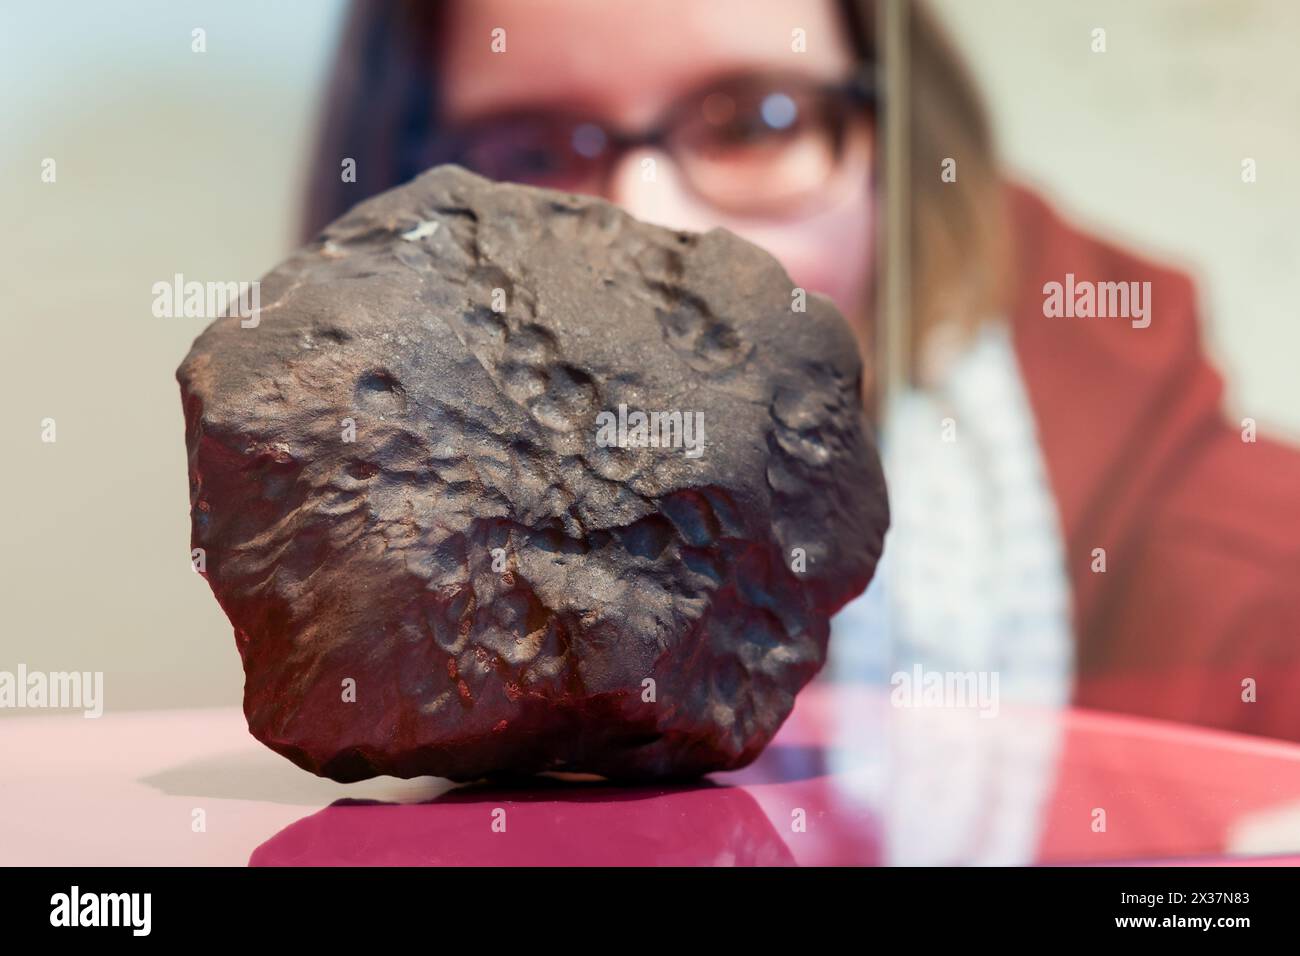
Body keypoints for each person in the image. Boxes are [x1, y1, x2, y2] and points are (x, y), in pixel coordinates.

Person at [303, 0, 1300, 740]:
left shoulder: (1239, 580)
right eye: (529, 150)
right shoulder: (357, 575)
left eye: (753, 122)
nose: (650, 227)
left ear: (895, 147)